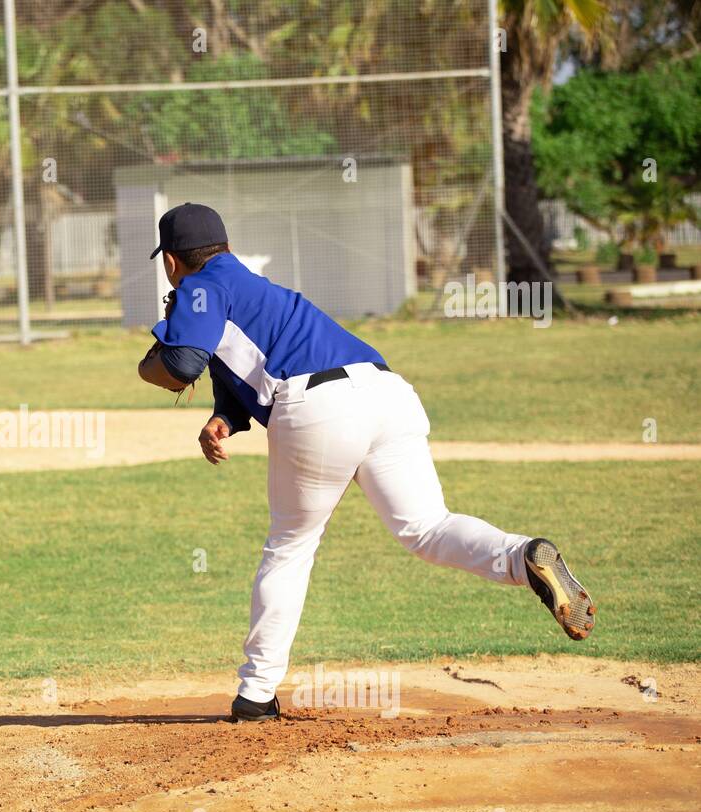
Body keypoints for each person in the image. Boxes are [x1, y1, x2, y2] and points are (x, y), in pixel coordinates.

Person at [136, 203, 596, 723]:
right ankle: (523, 557)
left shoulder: (201, 285)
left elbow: (179, 364)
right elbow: (243, 357)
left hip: (319, 406)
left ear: (171, 261)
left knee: (290, 546)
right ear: (226, 247)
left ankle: (256, 694)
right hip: (386, 392)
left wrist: (147, 364)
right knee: (426, 527)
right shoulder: (251, 284)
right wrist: (227, 416)